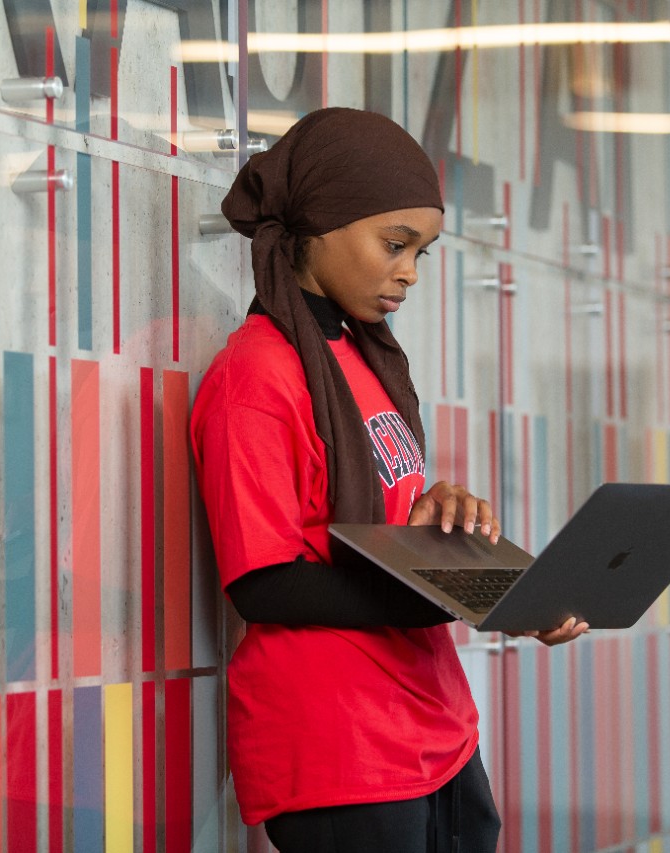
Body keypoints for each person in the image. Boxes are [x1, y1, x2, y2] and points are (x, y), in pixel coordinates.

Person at [190, 107, 588, 853]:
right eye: (394, 244)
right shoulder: (256, 375)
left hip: (435, 729)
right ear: (316, 226)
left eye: (421, 252)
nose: (407, 271)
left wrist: (441, 519)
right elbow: (263, 581)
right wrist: (450, 592)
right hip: (344, 746)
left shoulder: (364, 360)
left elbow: (375, 526)